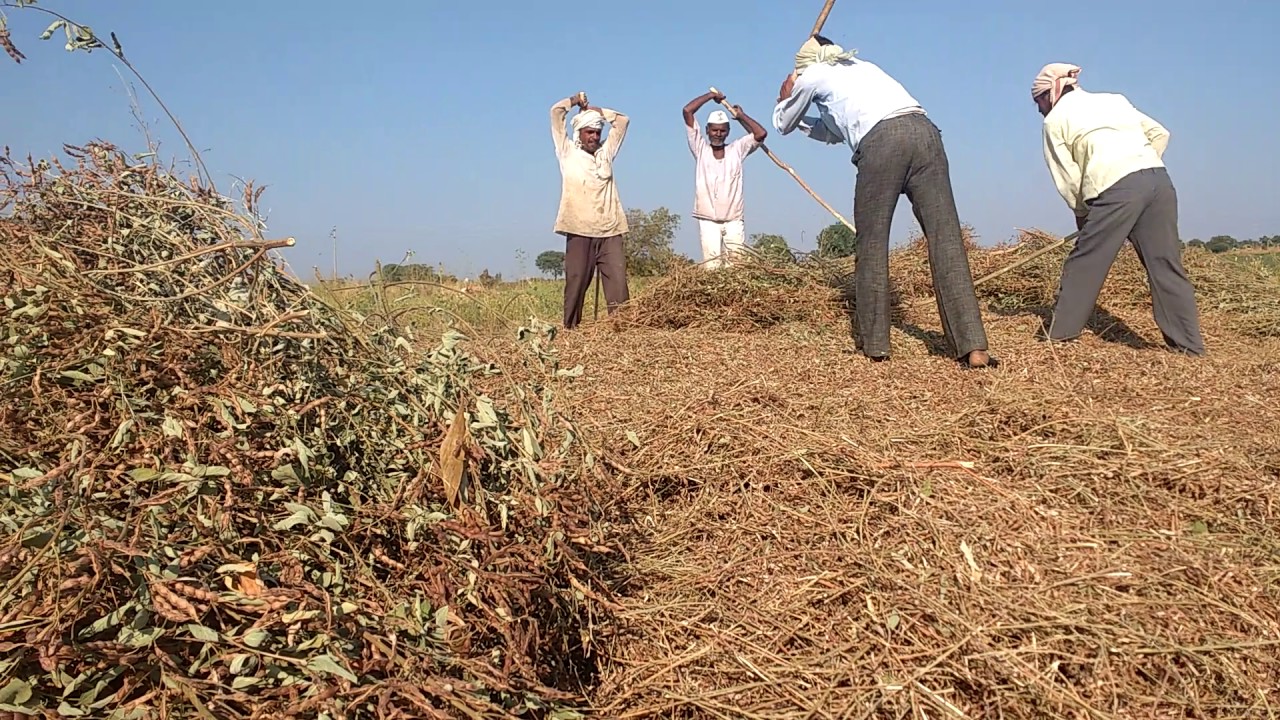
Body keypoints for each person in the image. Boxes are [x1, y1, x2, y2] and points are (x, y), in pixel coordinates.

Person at [772, 34, 994, 368]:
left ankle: (876, 346)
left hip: (882, 144)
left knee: (872, 244)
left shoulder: (813, 74)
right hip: (926, 135)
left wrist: (785, 98)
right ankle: (974, 347)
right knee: (946, 240)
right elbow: (832, 132)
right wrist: (802, 113)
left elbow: (781, 124)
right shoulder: (862, 68)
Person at [1032, 63, 1204, 355]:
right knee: (1165, 264)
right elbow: (1160, 133)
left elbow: (1068, 179)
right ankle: (1189, 347)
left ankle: (1058, 338)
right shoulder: (1114, 99)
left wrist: (1083, 215)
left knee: (1085, 261)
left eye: (1039, 103)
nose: (1039, 110)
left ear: (1051, 93)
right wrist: (1139, 164)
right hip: (1158, 180)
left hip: (1115, 187)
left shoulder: (1055, 120)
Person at [549, 93, 631, 329]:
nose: (595, 136)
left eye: (597, 132)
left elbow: (623, 121)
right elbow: (556, 112)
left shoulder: (606, 153)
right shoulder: (567, 152)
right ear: (580, 134)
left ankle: (622, 331)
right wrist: (576, 101)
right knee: (576, 282)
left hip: (611, 229)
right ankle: (570, 330)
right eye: (590, 132)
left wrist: (596, 110)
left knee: (618, 285)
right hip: (578, 228)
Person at [682, 90, 768, 269]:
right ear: (707, 131)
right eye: (714, 130)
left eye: (722, 130)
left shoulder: (737, 149)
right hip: (707, 219)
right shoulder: (700, 149)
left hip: (734, 219)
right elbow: (687, 111)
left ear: (728, 132)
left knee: (736, 268)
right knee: (712, 268)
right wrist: (710, 97)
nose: (718, 134)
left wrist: (741, 116)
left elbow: (760, 134)